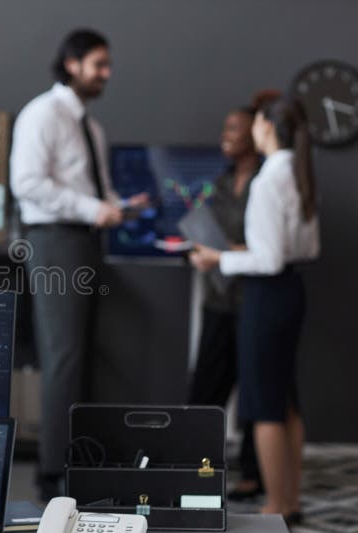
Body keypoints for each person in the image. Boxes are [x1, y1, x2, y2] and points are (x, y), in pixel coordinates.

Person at [9, 28, 148, 501]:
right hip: (54, 243)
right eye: (98, 65)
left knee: (86, 355)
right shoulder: (42, 114)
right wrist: (93, 210)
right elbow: (26, 182)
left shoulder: (92, 126)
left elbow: (96, 189)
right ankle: (53, 474)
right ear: (72, 63)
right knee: (64, 356)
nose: (106, 74)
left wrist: (119, 205)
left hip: (86, 242)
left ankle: (81, 461)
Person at [190, 95, 319, 524]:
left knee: (264, 407)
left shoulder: (267, 180)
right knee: (286, 403)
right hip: (290, 292)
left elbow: (267, 260)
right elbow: (301, 249)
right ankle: (292, 500)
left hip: (264, 296)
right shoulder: (299, 173)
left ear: (265, 127)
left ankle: (275, 506)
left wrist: (218, 259)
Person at [186, 104, 263, 500]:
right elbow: (208, 233)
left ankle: (254, 472)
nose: (225, 134)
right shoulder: (219, 184)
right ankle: (198, 468)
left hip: (255, 302)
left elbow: (273, 245)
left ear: (256, 132)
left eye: (234, 128)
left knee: (255, 390)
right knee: (205, 391)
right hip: (218, 300)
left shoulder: (269, 181)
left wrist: (230, 250)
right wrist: (200, 250)